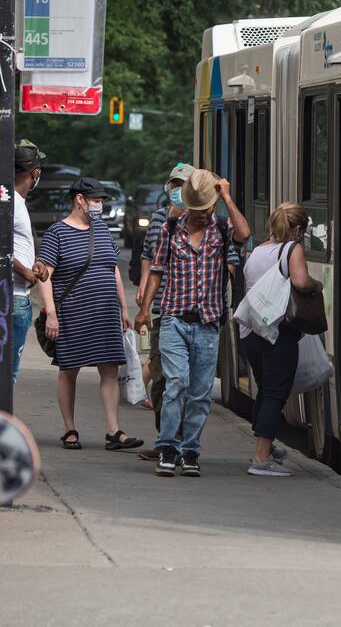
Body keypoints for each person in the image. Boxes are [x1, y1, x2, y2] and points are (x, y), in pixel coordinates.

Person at [135, 169, 249, 477]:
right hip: (173, 320)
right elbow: (157, 270)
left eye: (206, 209)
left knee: (200, 393)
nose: (201, 215)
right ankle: (168, 447)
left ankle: (190, 451)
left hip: (208, 324)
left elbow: (245, 233)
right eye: (196, 210)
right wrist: (145, 309)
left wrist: (226, 195)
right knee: (176, 384)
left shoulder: (223, 229)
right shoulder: (171, 230)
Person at [33, 178, 142, 452]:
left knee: (110, 368)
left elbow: (113, 269)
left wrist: (124, 308)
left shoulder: (102, 229)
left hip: (105, 313)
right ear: (80, 199)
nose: (100, 205)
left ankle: (113, 431)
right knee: (69, 370)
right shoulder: (57, 233)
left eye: (102, 200)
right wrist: (52, 314)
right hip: (73, 313)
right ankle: (69, 429)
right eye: (96, 200)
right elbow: (45, 275)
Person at [236, 203, 321, 477]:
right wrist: (316, 285)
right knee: (275, 394)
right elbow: (300, 281)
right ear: (297, 229)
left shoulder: (257, 251)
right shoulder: (292, 249)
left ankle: (266, 448)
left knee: (266, 390)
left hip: (252, 332)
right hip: (277, 334)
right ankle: (261, 459)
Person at [133, 163, 197, 460]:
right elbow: (148, 258)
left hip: (196, 313)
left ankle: (183, 444)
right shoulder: (158, 219)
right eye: (173, 185)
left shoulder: (206, 222)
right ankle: (165, 439)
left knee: (189, 382)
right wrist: (144, 291)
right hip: (163, 310)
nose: (177, 191)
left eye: (183, 185)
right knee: (161, 377)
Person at [11, 140, 48, 384]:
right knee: (7, 375)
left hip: (18, 297)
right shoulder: (8, 200)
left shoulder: (17, 202)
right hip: (11, 298)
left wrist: (35, 263)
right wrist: (24, 270)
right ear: (34, 172)